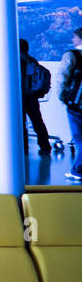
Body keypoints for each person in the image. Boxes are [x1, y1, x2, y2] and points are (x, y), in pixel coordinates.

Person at [20, 39, 51, 156]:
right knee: (38, 121)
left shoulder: (16, 60)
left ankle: (23, 148)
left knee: (21, 123)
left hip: (21, 96)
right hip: (32, 96)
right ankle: (45, 146)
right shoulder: (32, 60)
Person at [58, 28, 82, 180]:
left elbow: (63, 76)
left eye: (75, 37)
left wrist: (62, 96)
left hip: (76, 103)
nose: (73, 40)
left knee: (79, 137)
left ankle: (77, 170)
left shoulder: (72, 55)